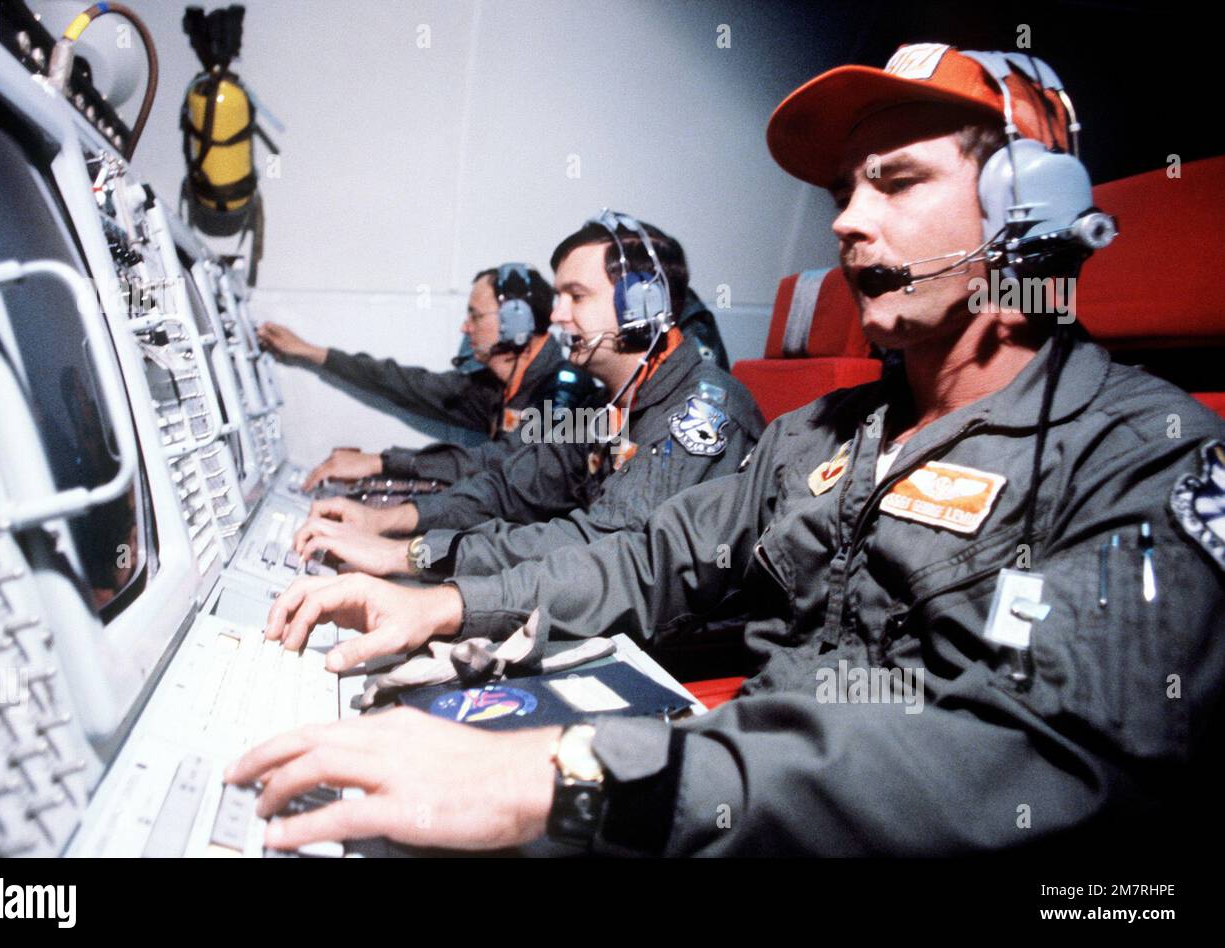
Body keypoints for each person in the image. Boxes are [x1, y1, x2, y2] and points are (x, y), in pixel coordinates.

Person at [226, 44, 1225, 856]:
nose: (846, 219)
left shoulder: (1146, 458)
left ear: (1025, 219)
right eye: (843, 188)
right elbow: (651, 552)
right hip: (733, 793)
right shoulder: (824, 436)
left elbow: (1033, 760)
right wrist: (441, 596)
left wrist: (576, 777)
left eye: (896, 181)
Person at [285, 213, 765, 580]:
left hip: (682, 649)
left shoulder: (701, 415)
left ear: (644, 307)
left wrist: (407, 554)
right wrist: (386, 521)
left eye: (576, 296)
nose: (555, 317)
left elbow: (604, 550)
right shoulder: (604, 408)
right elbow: (513, 485)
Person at [257, 265, 600, 487]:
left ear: (517, 323)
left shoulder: (567, 394)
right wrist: (311, 352)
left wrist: (381, 463)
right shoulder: (499, 388)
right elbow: (405, 384)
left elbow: (506, 464)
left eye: (475, 316)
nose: (465, 327)